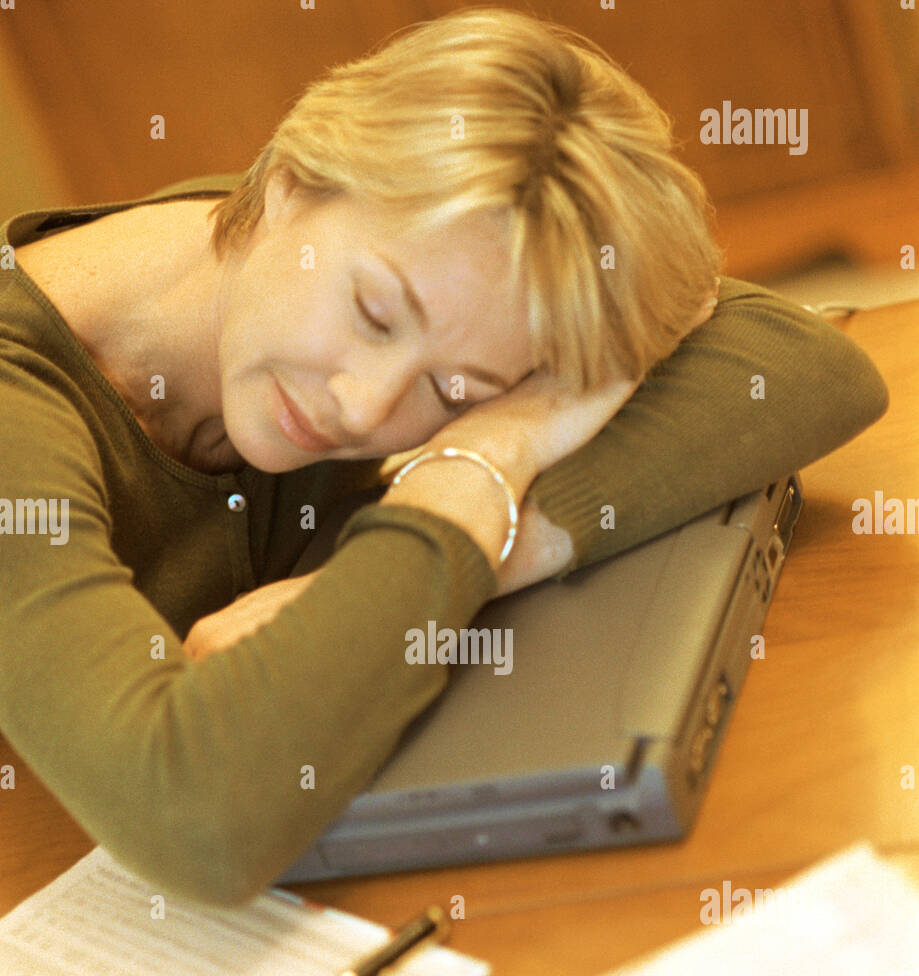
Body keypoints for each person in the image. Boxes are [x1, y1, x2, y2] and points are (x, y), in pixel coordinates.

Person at [0, 9, 887, 905]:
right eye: (375, 312)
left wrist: (485, 481)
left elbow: (802, 360)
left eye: (458, 388)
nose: (365, 405)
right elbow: (195, 821)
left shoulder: (384, 239)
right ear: (290, 183)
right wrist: (453, 500)